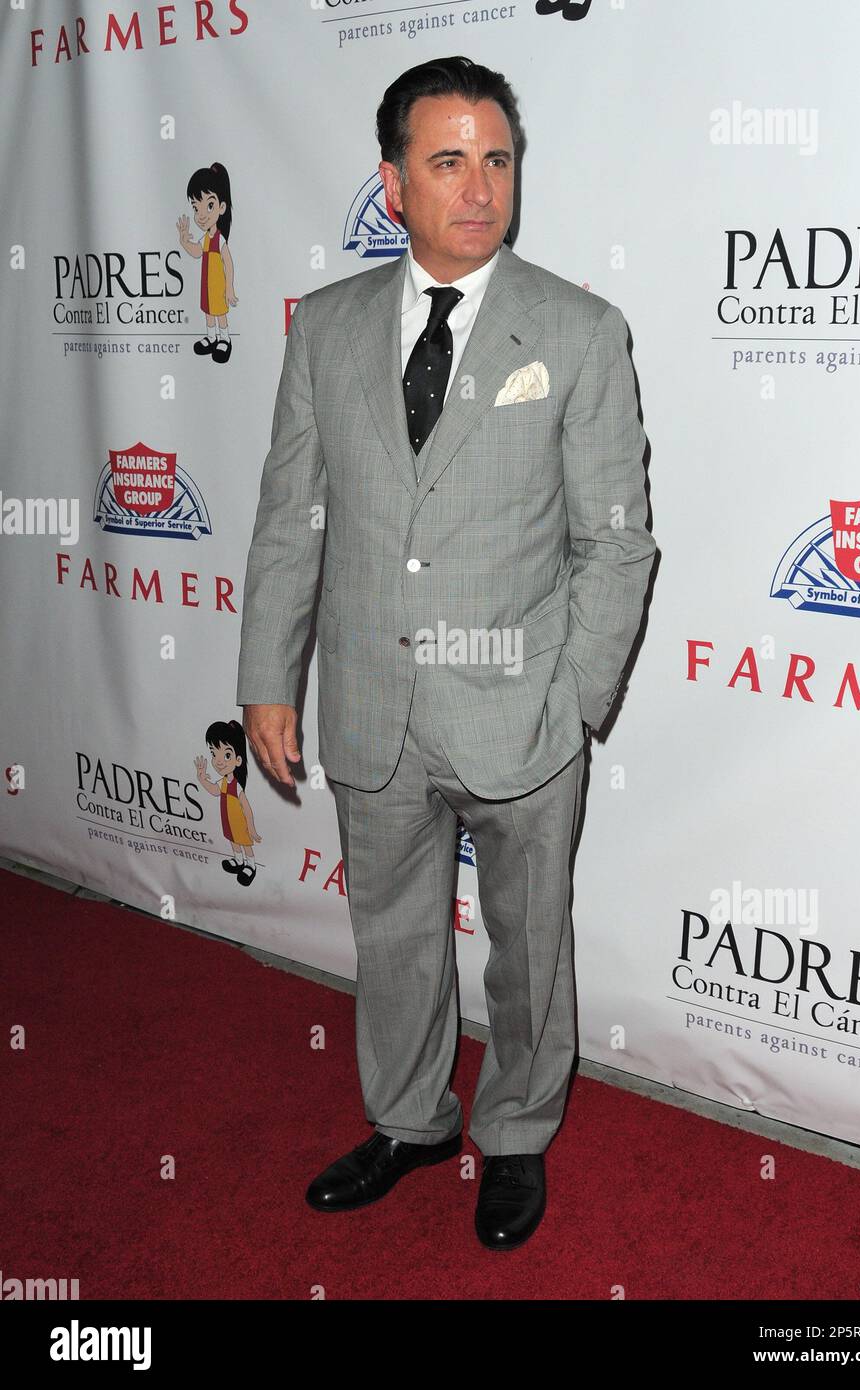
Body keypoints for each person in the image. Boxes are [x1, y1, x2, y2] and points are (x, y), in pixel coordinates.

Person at [236, 55, 655, 1250]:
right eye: (446, 160)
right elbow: (288, 516)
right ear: (391, 178)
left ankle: (514, 1132)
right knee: (396, 939)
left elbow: (615, 543)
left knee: (528, 950)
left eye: (497, 160)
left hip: (521, 713)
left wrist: (571, 700)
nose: (477, 187)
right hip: (372, 701)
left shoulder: (577, 330)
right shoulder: (322, 326)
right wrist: (270, 673)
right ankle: (411, 1120)